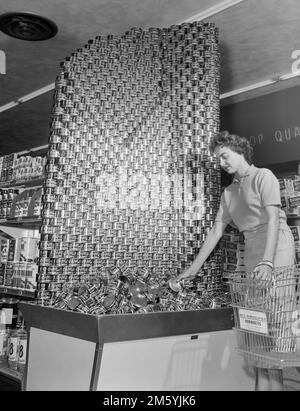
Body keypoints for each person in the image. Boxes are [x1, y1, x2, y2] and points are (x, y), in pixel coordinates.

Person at [174, 130, 296, 391]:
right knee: (259, 322)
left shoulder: (264, 176)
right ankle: (266, 384)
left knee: (277, 318)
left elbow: (273, 219)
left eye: (224, 156)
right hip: (252, 248)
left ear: (240, 151)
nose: (221, 163)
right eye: (217, 159)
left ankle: (276, 384)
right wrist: (192, 270)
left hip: (276, 247)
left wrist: (267, 262)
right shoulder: (229, 193)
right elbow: (216, 231)